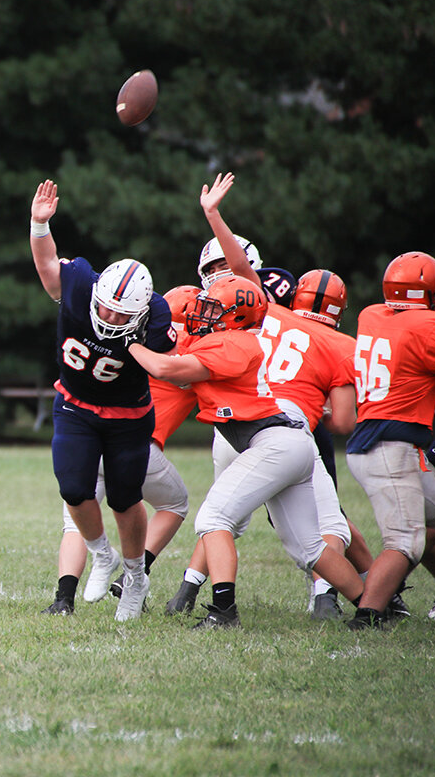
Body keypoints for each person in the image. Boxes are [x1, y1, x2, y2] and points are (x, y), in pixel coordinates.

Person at [127, 173, 366, 628]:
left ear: (235, 315)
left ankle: (223, 611)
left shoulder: (231, 345)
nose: (205, 311)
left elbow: (167, 369)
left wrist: (128, 342)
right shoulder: (238, 332)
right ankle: (374, 606)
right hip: (286, 440)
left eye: (215, 308)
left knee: (214, 517)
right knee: (310, 547)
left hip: (272, 443)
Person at [27, 179, 176, 621]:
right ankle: (101, 553)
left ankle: (135, 576)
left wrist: (134, 344)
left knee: (125, 500)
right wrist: (39, 225)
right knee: (73, 489)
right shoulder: (79, 283)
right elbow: (48, 267)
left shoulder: (155, 317)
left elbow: (161, 367)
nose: (110, 316)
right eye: (107, 307)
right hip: (75, 403)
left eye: (121, 313)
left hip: (128, 416)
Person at [44, 285, 198, 615]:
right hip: (133, 441)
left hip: (89, 429)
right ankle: (133, 577)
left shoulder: (119, 331)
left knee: (76, 513)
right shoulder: (183, 348)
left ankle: (64, 598)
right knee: (174, 503)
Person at [344, 251, 435, 629]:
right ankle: (367, 616)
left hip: (381, 443)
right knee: (404, 541)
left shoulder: (372, 315)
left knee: (431, 522)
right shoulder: (428, 326)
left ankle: (393, 587)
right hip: (390, 446)